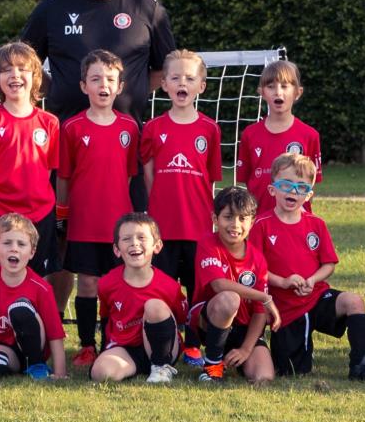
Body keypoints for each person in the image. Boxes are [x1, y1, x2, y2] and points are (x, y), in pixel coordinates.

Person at [19, 0, 176, 121]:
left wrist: (135, 89)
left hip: (127, 133)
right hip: (66, 130)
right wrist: (56, 89)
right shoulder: (52, 8)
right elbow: (22, 62)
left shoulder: (147, 7)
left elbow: (167, 68)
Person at [252, 152, 365, 380]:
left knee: (354, 301)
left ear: (309, 195)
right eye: (286, 185)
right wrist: (282, 281)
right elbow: (253, 269)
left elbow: (328, 264)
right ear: (272, 189)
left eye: (301, 187)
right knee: (292, 371)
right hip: (285, 307)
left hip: (316, 297)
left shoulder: (316, 224)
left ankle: (361, 365)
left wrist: (313, 280)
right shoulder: (261, 225)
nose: (293, 191)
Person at [58, 50, 144, 366]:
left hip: (118, 224)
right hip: (84, 220)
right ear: (84, 86)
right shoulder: (72, 127)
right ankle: (86, 345)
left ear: (119, 87)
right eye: (95, 79)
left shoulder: (129, 127)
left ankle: (112, 341)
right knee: (88, 283)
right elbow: (64, 177)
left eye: (109, 79)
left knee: (112, 284)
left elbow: (130, 176)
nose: (103, 85)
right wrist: (62, 214)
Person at [0, 42, 62, 278]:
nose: (15, 75)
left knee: (37, 279)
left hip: (38, 213)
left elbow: (48, 168)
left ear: (35, 76)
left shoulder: (49, 122)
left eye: (22, 69)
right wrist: (0, 187)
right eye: (6, 70)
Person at [140, 49, 221, 297]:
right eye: (175, 78)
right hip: (163, 225)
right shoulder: (153, 128)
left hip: (198, 226)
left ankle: (196, 324)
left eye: (189, 78)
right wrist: (157, 206)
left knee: (199, 290)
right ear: (164, 84)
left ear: (201, 86)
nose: (182, 83)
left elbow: (210, 178)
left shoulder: (210, 129)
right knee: (163, 291)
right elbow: (149, 175)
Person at [0, 214, 66, 380]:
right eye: (7, 243)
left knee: (19, 308)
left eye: (21, 244)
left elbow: (55, 333)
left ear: (32, 252)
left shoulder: (41, 287)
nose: (14, 249)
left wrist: (60, 373)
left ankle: (36, 365)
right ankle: (18, 367)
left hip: (35, 346)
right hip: (5, 347)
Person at [192, 186, 276, 383]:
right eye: (228, 217)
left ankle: (234, 357)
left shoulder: (258, 259)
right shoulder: (207, 243)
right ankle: (212, 366)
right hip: (209, 321)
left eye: (242, 218)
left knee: (264, 376)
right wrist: (264, 297)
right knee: (230, 299)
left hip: (243, 328)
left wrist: (245, 350)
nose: (235, 224)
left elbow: (259, 312)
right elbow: (219, 285)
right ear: (215, 219)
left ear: (252, 222)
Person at [90, 214, 186, 383]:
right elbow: (106, 318)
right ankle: (139, 367)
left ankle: (161, 367)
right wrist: (105, 351)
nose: (134, 243)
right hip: (125, 349)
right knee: (101, 373)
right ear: (117, 250)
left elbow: (179, 319)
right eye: (126, 239)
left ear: (157, 246)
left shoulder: (170, 286)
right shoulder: (106, 283)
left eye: (141, 237)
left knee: (154, 306)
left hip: (162, 347)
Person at [237, 58, 321, 214]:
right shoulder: (250, 134)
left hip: (295, 220)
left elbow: (311, 183)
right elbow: (246, 179)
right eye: (271, 86)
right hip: (258, 218)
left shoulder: (309, 135)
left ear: (297, 93)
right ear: (262, 92)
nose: (278, 92)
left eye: (284, 86)